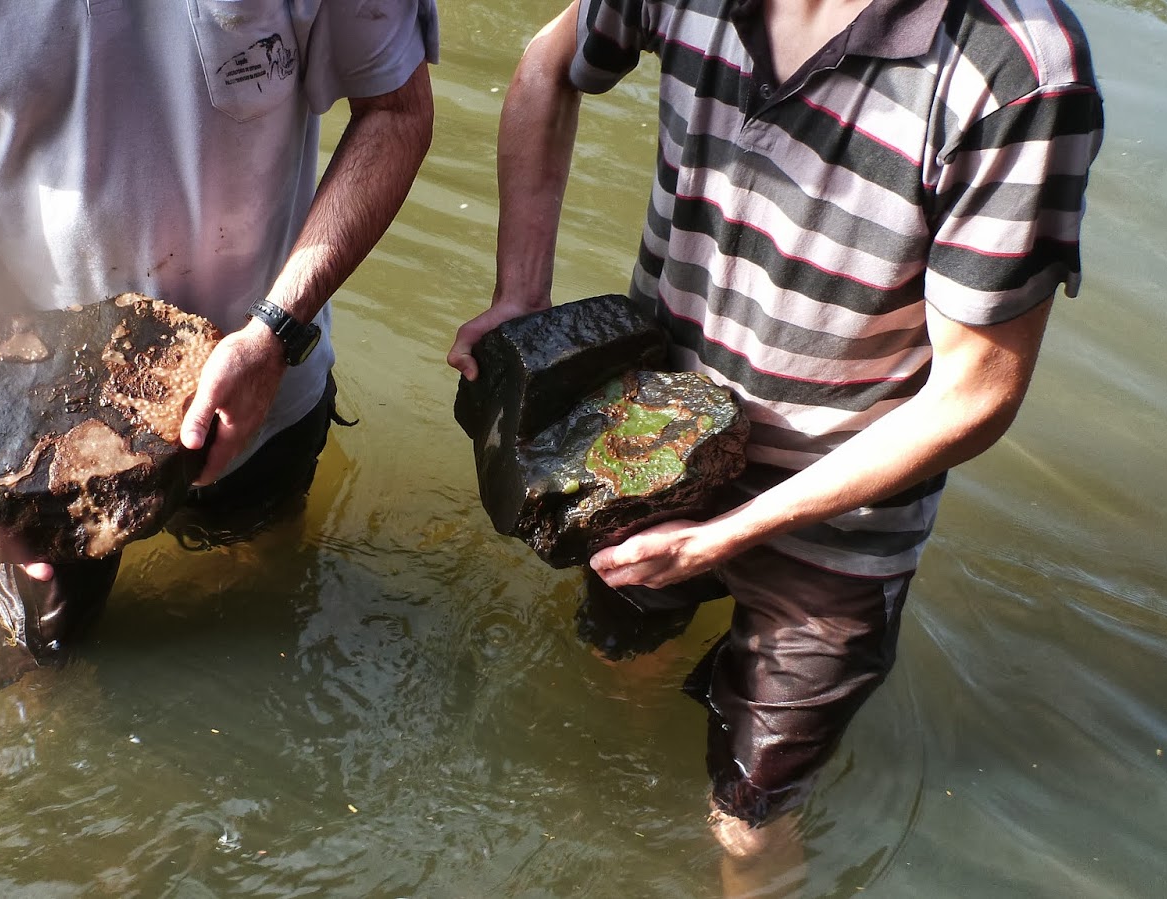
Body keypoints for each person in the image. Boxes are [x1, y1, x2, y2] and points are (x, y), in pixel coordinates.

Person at [448, 0, 1102, 888]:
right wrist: (520, 294)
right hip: (653, 448)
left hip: (844, 510)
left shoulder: (1014, 70)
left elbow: (976, 392)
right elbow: (545, 63)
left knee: (750, 823)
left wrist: (726, 536)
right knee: (621, 661)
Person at [0, 1, 437, 683]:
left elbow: (396, 110)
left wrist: (277, 329)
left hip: (258, 386)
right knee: (40, 661)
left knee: (263, 595)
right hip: (30, 442)